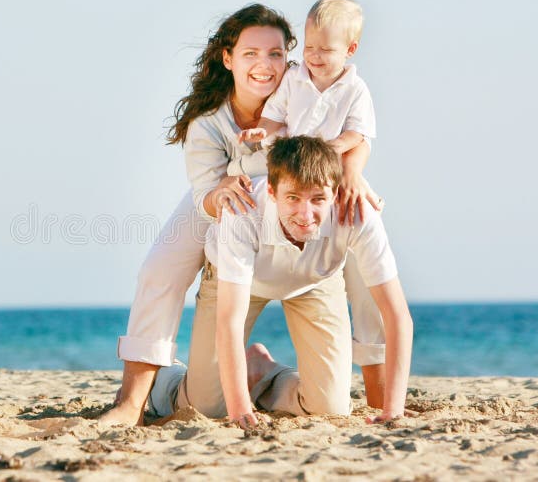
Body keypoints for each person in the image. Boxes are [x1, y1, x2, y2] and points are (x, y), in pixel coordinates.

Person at [101, 4, 382, 426]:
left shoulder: (304, 85)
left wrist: (355, 172)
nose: (265, 66)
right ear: (228, 58)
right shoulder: (210, 124)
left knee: (360, 255)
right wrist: (220, 193)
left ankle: (377, 396)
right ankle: (133, 399)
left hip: (293, 205)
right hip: (226, 203)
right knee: (159, 271)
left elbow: (355, 132)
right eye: (250, 53)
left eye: (275, 54)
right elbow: (204, 196)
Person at [147, 136, 413, 428]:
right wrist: (239, 412)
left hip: (314, 281)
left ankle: (262, 371)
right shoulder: (243, 211)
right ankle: (164, 377)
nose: (305, 214)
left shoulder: (358, 214)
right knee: (209, 407)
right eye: (293, 198)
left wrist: (394, 410)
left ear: (335, 194)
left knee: (329, 408)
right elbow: (229, 321)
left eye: (318, 199)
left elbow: (397, 315)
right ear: (272, 192)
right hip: (236, 281)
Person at [238, 0, 375, 162]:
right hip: (287, 162)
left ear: (350, 49)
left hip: (324, 167)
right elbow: (274, 115)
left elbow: (357, 131)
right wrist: (262, 131)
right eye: (309, 46)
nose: (314, 55)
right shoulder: (293, 78)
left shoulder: (355, 89)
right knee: (242, 172)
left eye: (326, 49)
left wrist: (334, 146)